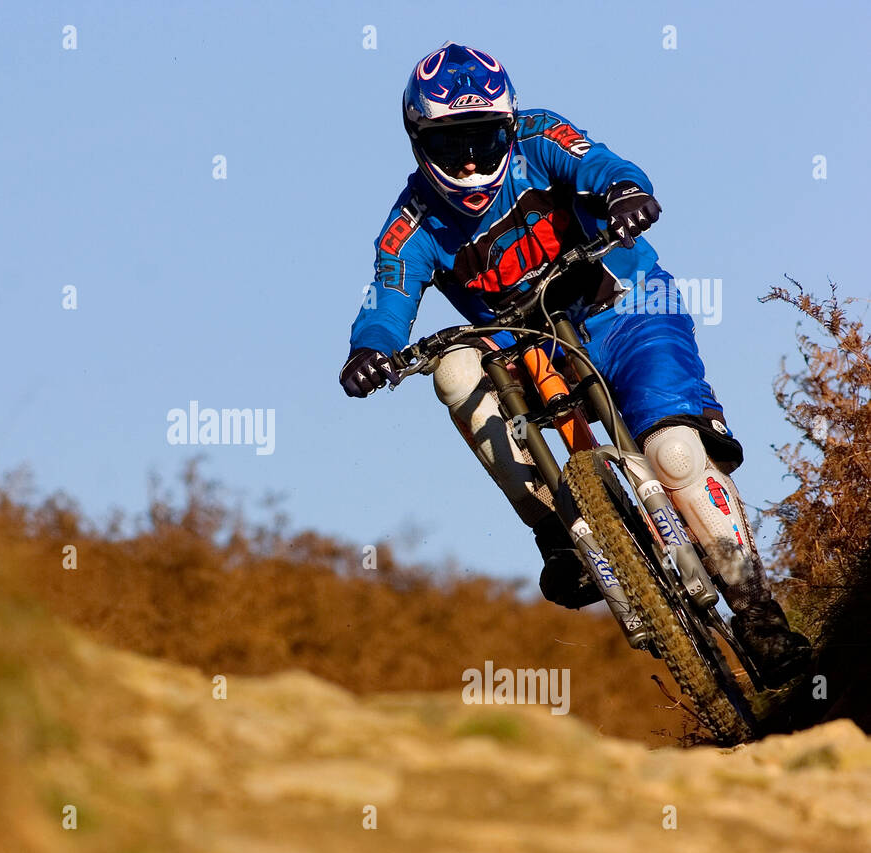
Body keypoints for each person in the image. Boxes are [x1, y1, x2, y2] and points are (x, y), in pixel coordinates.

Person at [339, 42, 810, 687]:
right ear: (419, 143)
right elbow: (389, 296)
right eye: (453, 146)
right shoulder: (411, 222)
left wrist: (624, 194)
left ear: (506, 126)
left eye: (481, 139)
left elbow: (601, 164)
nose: (471, 161)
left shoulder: (539, 136)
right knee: (449, 368)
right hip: (528, 350)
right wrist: (371, 349)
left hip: (624, 305)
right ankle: (554, 529)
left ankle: (759, 615)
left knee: (672, 452)